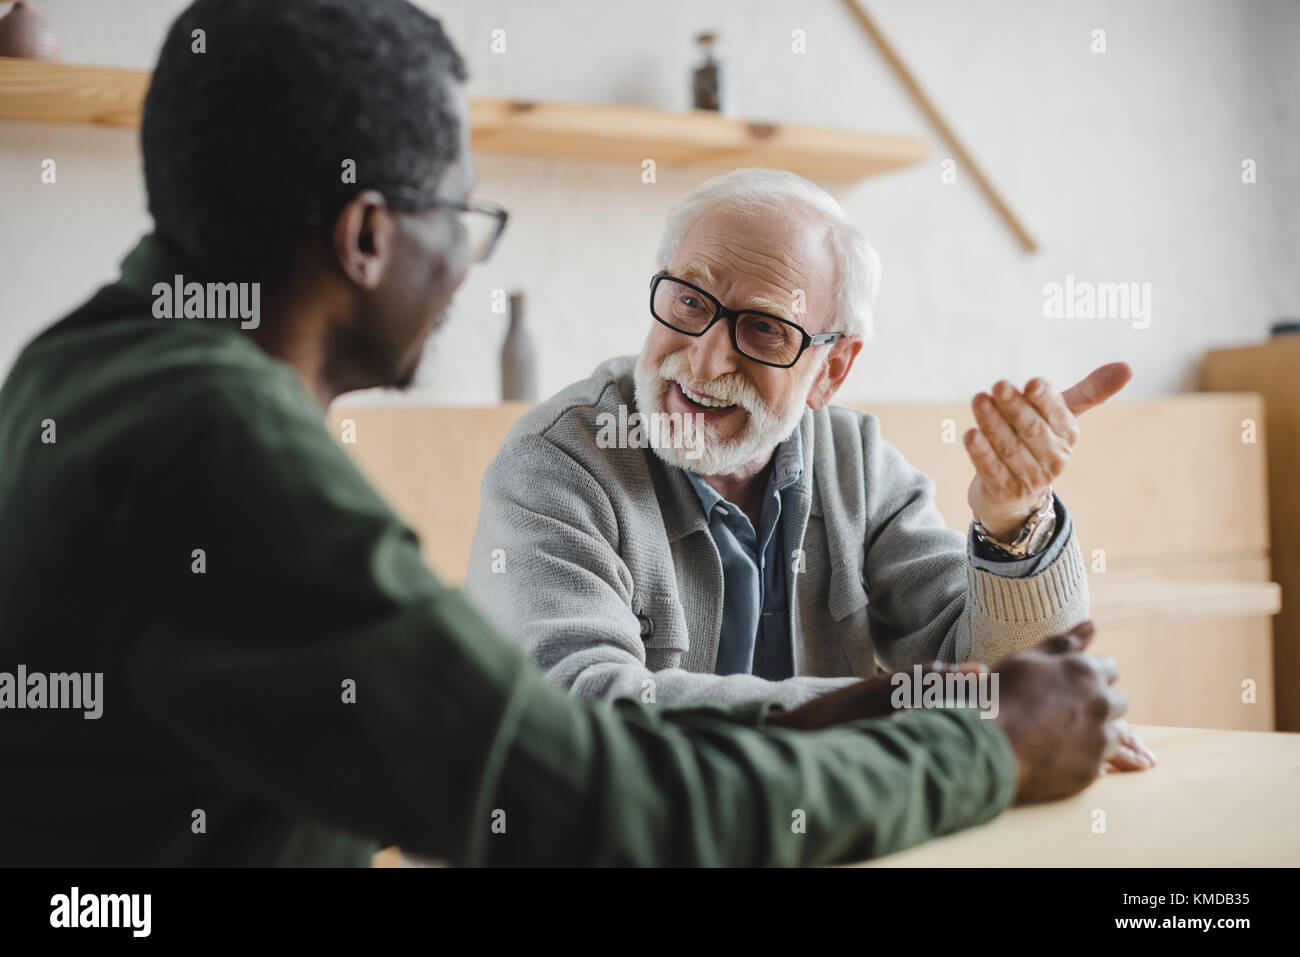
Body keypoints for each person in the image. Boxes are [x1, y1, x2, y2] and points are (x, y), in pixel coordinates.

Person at [0, 0, 1130, 868]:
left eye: (760, 327)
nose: (704, 352)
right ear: (366, 237)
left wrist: (997, 558)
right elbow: (572, 786)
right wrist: (967, 739)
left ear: (835, 365)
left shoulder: (86, 369)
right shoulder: (214, 439)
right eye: (468, 212)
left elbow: (998, 661)